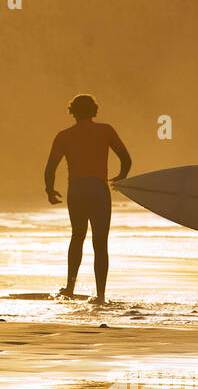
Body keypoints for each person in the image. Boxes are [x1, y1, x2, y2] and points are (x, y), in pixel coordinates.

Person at [44, 94, 132, 303]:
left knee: (77, 237)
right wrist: (121, 177)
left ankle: (70, 288)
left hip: (77, 189)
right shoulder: (106, 131)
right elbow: (126, 159)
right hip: (98, 189)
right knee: (100, 243)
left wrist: (49, 190)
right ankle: (100, 295)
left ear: (72, 112)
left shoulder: (64, 136)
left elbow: (50, 168)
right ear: (94, 110)